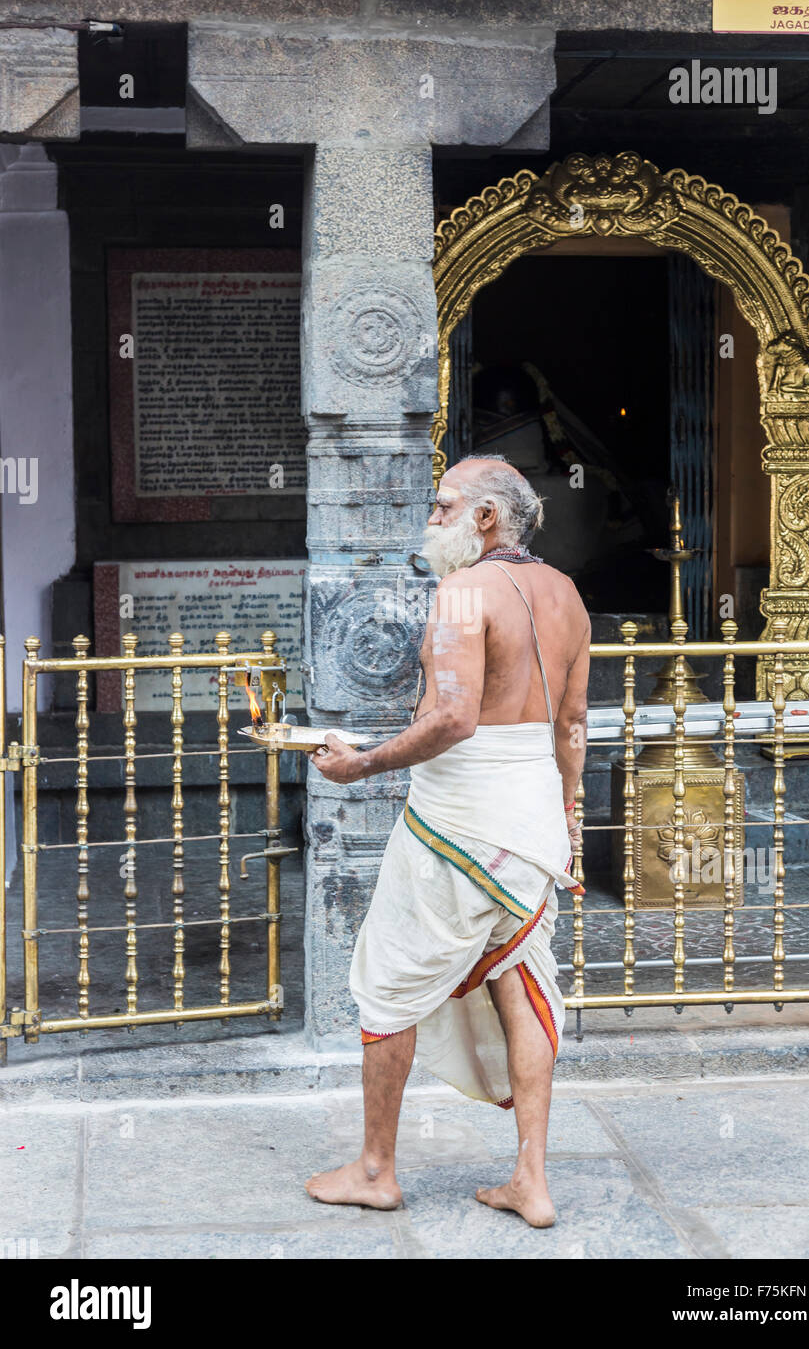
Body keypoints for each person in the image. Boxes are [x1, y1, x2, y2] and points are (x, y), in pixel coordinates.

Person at [305, 454, 591, 1228]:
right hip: (529, 818)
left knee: (389, 983)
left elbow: (454, 718)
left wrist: (358, 764)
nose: (430, 521)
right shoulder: (565, 594)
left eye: (442, 508)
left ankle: (374, 1169)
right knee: (520, 981)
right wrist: (564, 810)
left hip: (457, 821)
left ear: (486, 519)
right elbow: (570, 725)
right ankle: (529, 1178)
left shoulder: (463, 592)